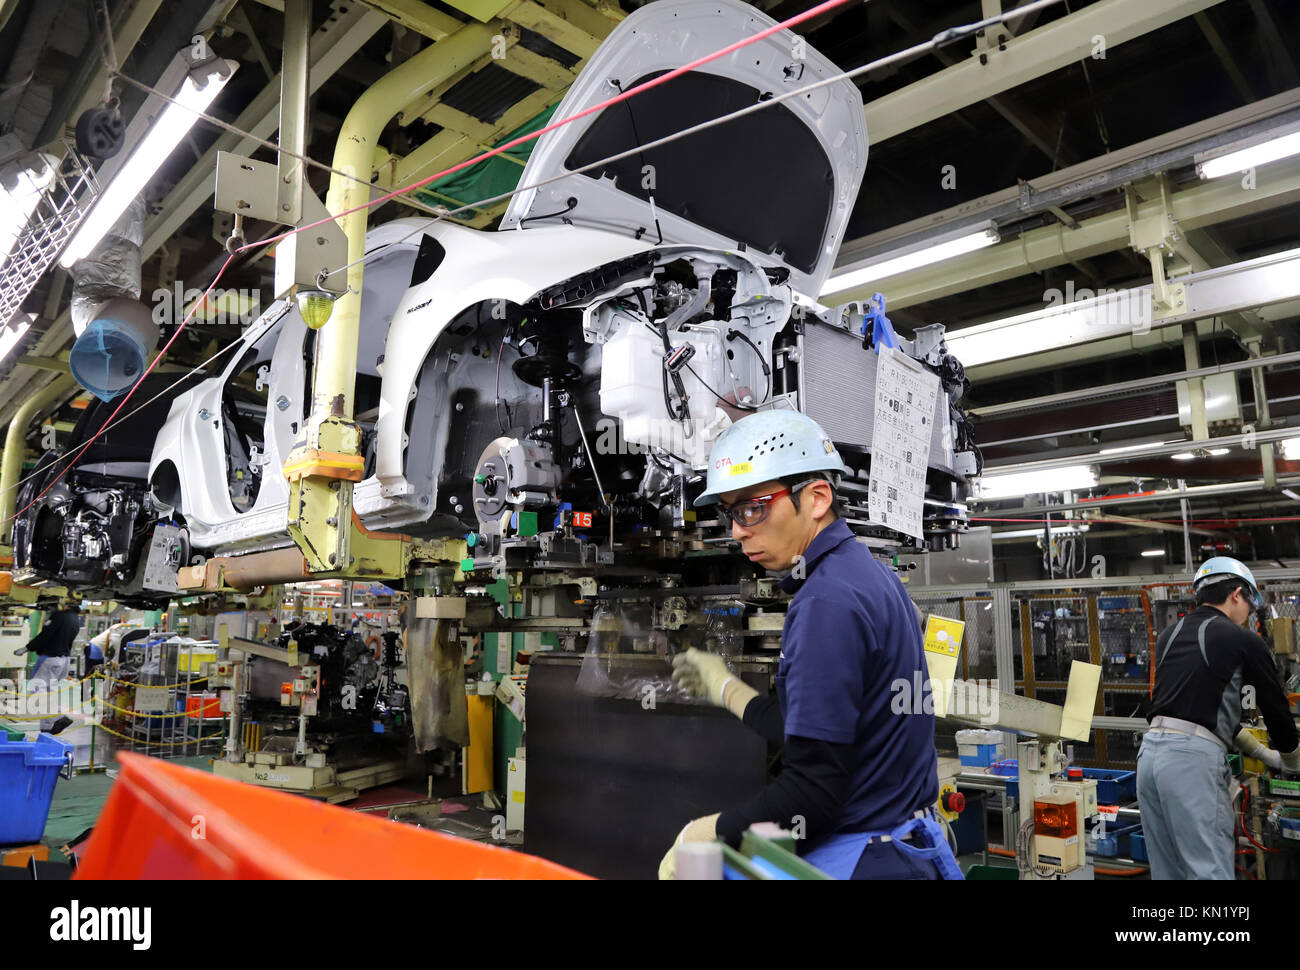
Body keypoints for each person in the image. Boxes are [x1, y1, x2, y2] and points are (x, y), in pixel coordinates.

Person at [661, 410, 960, 880]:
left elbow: (812, 793)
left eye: (752, 508)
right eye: (730, 513)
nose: (738, 529)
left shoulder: (825, 602)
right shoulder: (868, 575)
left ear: (817, 498)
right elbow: (817, 732)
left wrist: (705, 833)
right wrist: (728, 690)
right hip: (902, 847)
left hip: (866, 861)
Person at [1137, 556, 1300, 879]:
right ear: (1237, 594)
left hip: (1151, 757)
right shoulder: (1242, 639)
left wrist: (1263, 754)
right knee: (1208, 870)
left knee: (1167, 872)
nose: (1248, 617)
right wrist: (1293, 762)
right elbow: (1276, 707)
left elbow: (1196, 711)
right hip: (1190, 764)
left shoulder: (1171, 634)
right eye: (1250, 607)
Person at [21, 601, 83, 734]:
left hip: (49, 659)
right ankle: (47, 728)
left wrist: (27, 648)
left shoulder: (59, 616)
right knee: (50, 693)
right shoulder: (76, 620)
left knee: (37, 692)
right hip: (64, 660)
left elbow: (46, 635)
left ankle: (58, 716)